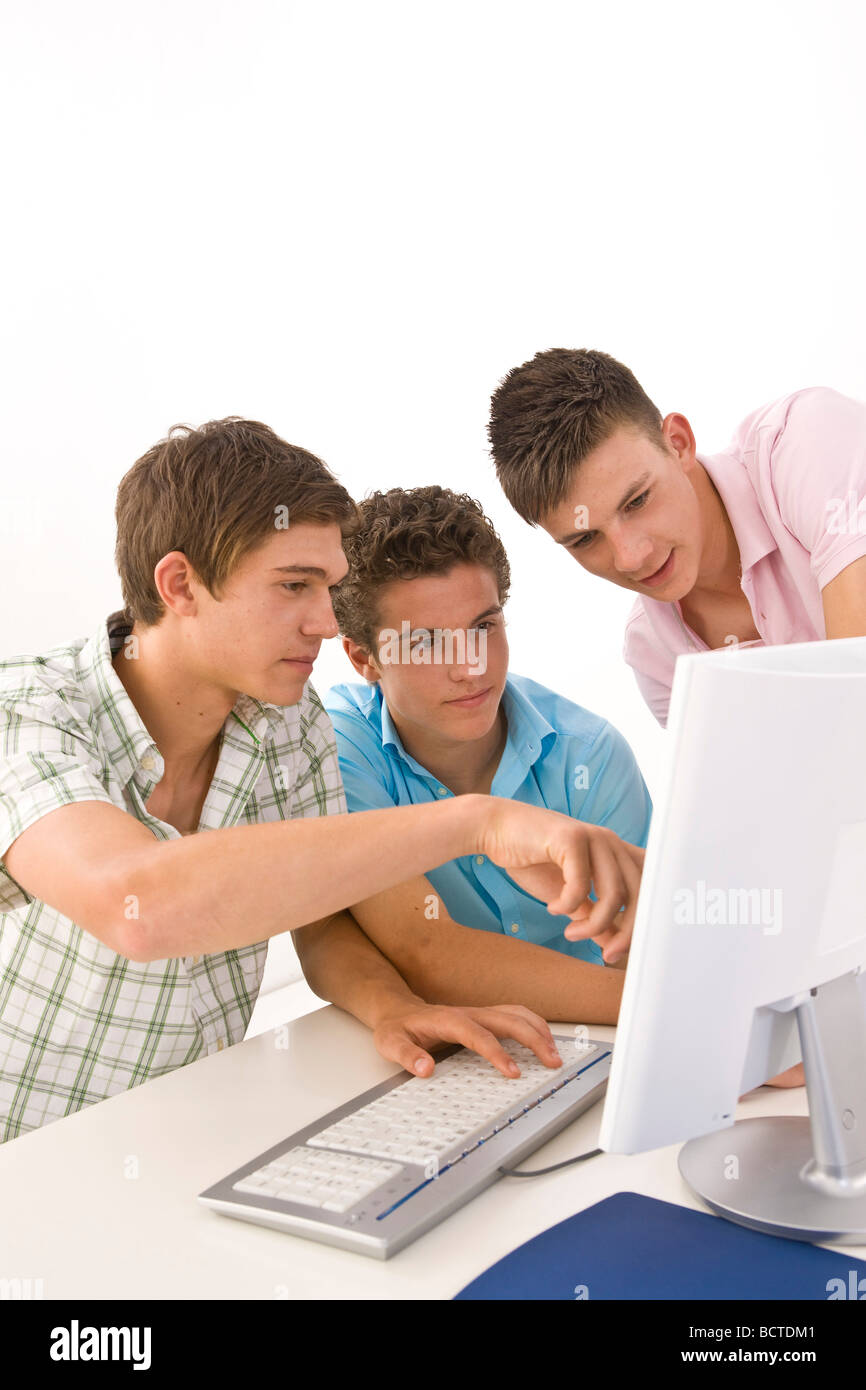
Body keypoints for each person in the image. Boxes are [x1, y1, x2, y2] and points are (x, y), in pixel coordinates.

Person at [0, 418, 641, 1142]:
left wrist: (386, 1004)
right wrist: (479, 821)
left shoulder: (291, 725)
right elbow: (140, 906)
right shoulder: (25, 711)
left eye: (330, 587)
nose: (328, 624)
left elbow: (328, 918)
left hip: (177, 1132)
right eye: (295, 586)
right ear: (179, 584)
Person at [323, 484, 650, 1022]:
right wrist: (666, 1010)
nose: (471, 667)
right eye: (426, 642)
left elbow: (648, 949)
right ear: (364, 659)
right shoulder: (340, 752)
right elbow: (425, 950)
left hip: (599, 1040)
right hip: (448, 1055)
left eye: (483, 627)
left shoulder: (590, 756)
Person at [488, 348, 866, 727]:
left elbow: (858, 684)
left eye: (637, 500)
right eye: (585, 540)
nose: (631, 558)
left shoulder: (807, 440)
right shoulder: (654, 655)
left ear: (679, 442)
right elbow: (759, 784)